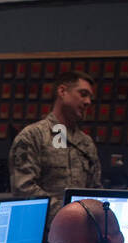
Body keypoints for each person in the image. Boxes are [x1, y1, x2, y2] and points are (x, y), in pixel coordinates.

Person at [8, 70, 101, 219]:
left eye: (90, 97)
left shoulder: (86, 143)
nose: (88, 102)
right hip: (43, 231)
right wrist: (68, 215)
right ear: (62, 91)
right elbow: (24, 189)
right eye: (83, 94)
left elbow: (95, 190)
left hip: (82, 233)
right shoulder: (33, 136)